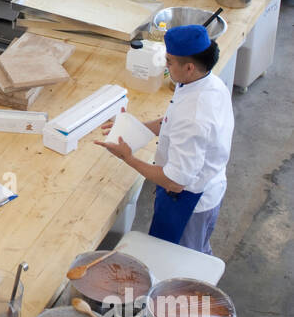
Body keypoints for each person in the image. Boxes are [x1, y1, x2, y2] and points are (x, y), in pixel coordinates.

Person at [95, 24, 234, 253]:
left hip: (189, 203)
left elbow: (175, 182)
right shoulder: (205, 82)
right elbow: (170, 122)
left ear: (189, 67)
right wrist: (136, 128)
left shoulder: (195, 116)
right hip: (199, 184)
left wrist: (128, 158)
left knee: (181, 263)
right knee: (188, 251)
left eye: (169, 61)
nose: (165, 65)